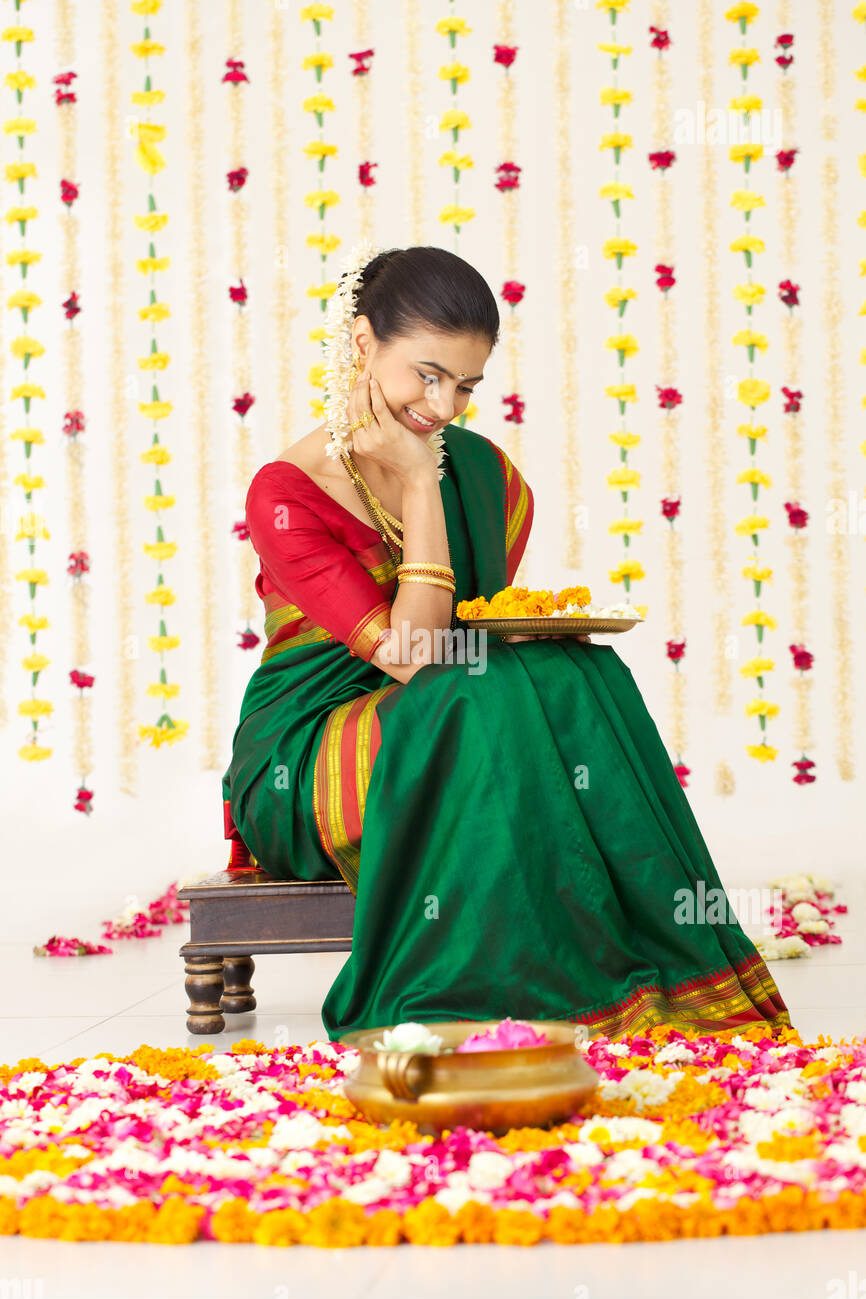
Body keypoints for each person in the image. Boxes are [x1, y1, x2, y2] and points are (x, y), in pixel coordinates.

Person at [222, 242, 790, 1042]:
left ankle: (625, 972)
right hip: (311, 758)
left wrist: (439, 479)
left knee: (576, 666)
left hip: (453, 714)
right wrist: (420, 481)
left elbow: (475, 635)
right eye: (427, 374)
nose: (445, 407)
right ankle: (486, 999)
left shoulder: (488, 475)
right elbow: (414, 655)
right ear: (361, 343)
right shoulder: (288, 493)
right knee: (479, 689)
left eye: (466, 385)